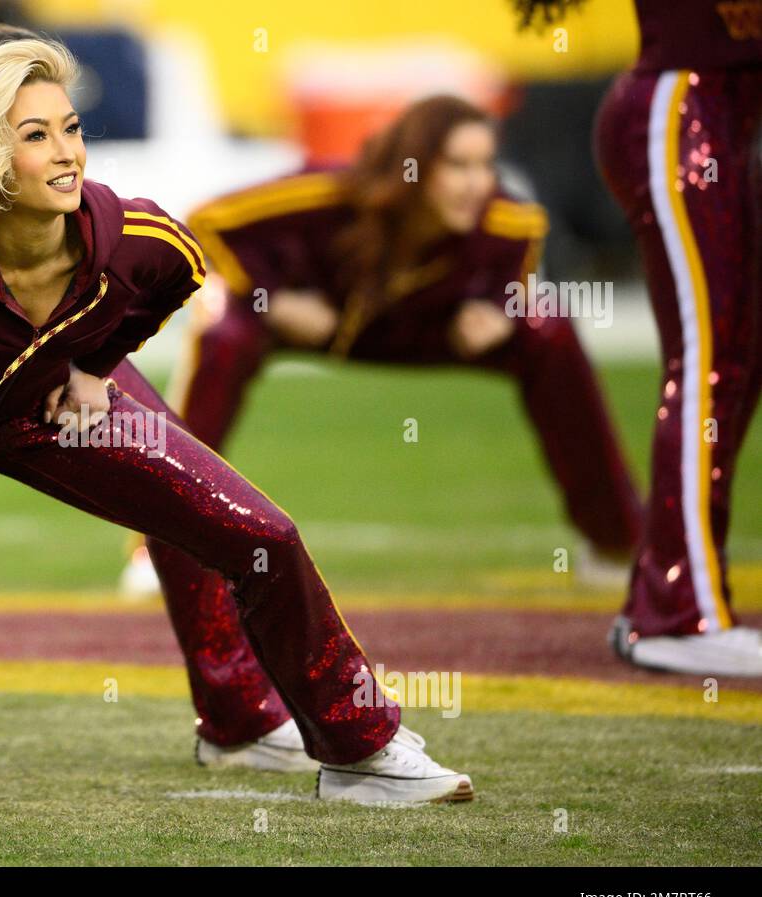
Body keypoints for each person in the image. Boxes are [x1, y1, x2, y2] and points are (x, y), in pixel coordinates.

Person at [0, 38, 474, 830]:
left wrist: (95, 360)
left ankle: (355, 746)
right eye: (35, 134)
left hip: (47, 396)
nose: (66, 153)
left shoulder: (128, 233)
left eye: (72, 127)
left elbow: (180, 270)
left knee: (255, 528)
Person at [120, 94, 643, 596]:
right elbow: (204, 222)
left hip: (420, 334)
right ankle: (159, 549)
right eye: (456, 166)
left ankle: (616, 545)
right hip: (304, 321)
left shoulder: (512, 221)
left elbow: (516, 281)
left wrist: (501, 312)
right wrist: (269, 300)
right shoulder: (323, 194)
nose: (476, 184)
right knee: (222, 333)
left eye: (485, 165)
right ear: (412, 165)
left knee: (548, 329)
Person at [587, 0, 762, 675]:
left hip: (727, 112)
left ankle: (665, 595)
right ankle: (679, 611)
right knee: (712, 358)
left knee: (739, 356)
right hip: (683, 110)